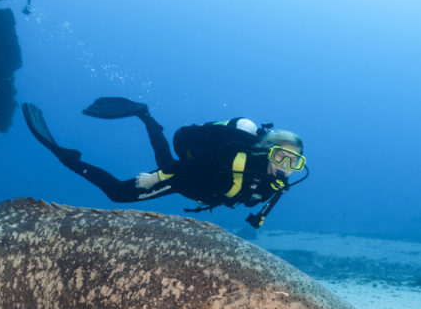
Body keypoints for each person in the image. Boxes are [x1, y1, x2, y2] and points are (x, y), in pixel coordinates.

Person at [21, 97, 308, 228]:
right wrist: (155, 178)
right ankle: (67, 157)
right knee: (119, 193)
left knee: (163, 157)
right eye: (280, 156)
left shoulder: (277, 185)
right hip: (186, 177)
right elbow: (193, 166)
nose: (284, 166)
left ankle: (145, 115)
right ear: (268, 150)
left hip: (197, 188)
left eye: (293, 162)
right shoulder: (239, 156)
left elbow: (251, 206)